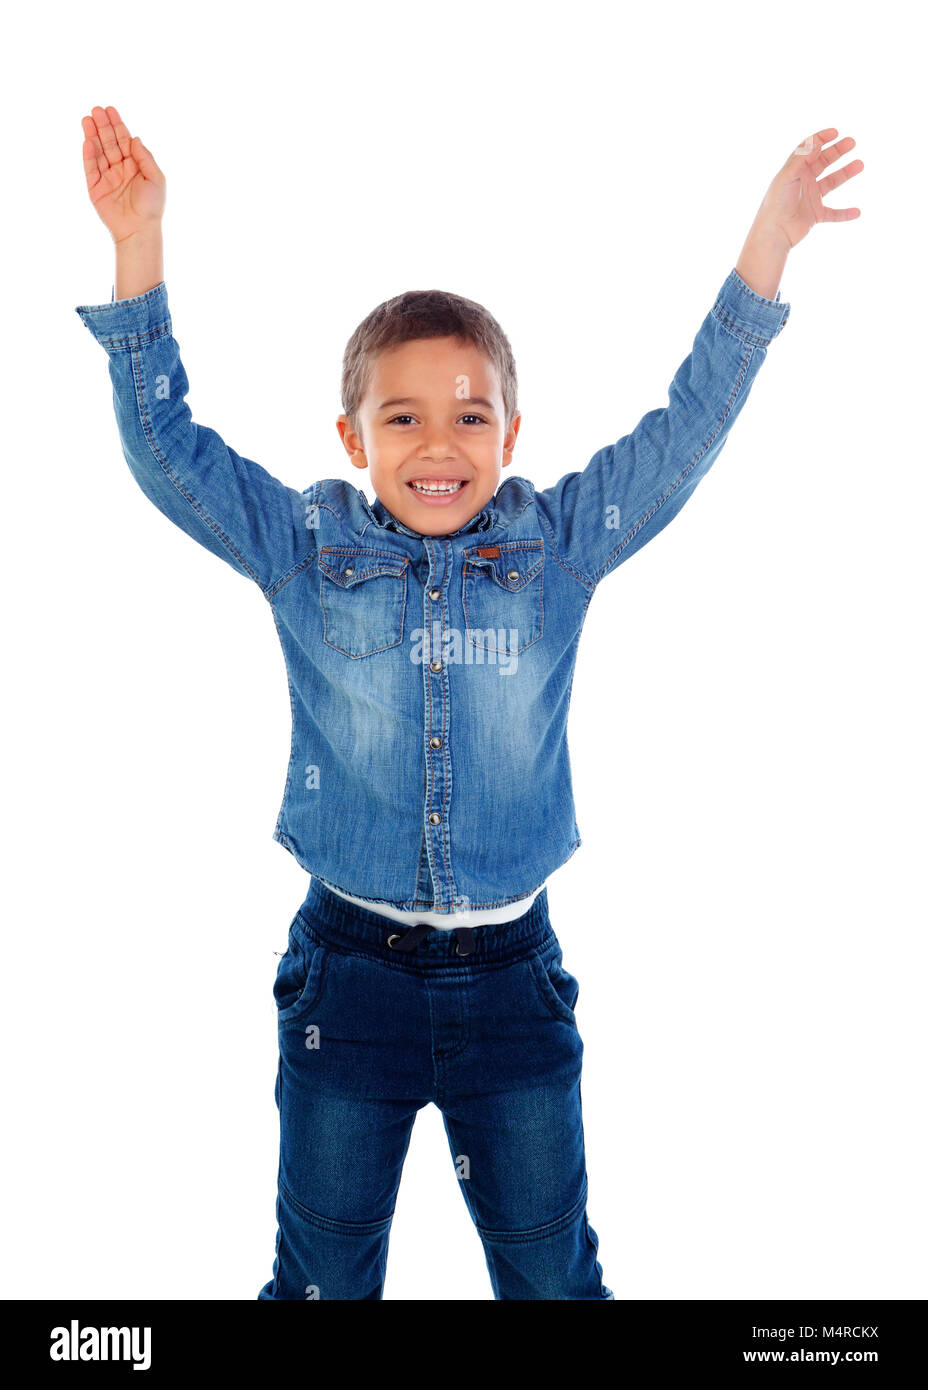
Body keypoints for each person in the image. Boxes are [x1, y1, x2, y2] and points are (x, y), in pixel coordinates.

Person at [76, 105, 863, 1300]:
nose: (436, 443)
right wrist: (139, 248)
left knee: (551, 1276)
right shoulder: (305, 544)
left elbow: (687, 423)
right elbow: (166, 450)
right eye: (402, 416)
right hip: (349, 979)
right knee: (323, 1278)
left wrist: (770, 243)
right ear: (352, 435)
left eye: (468, 414)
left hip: (512, 983)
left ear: (510, 433)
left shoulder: (559, 546)